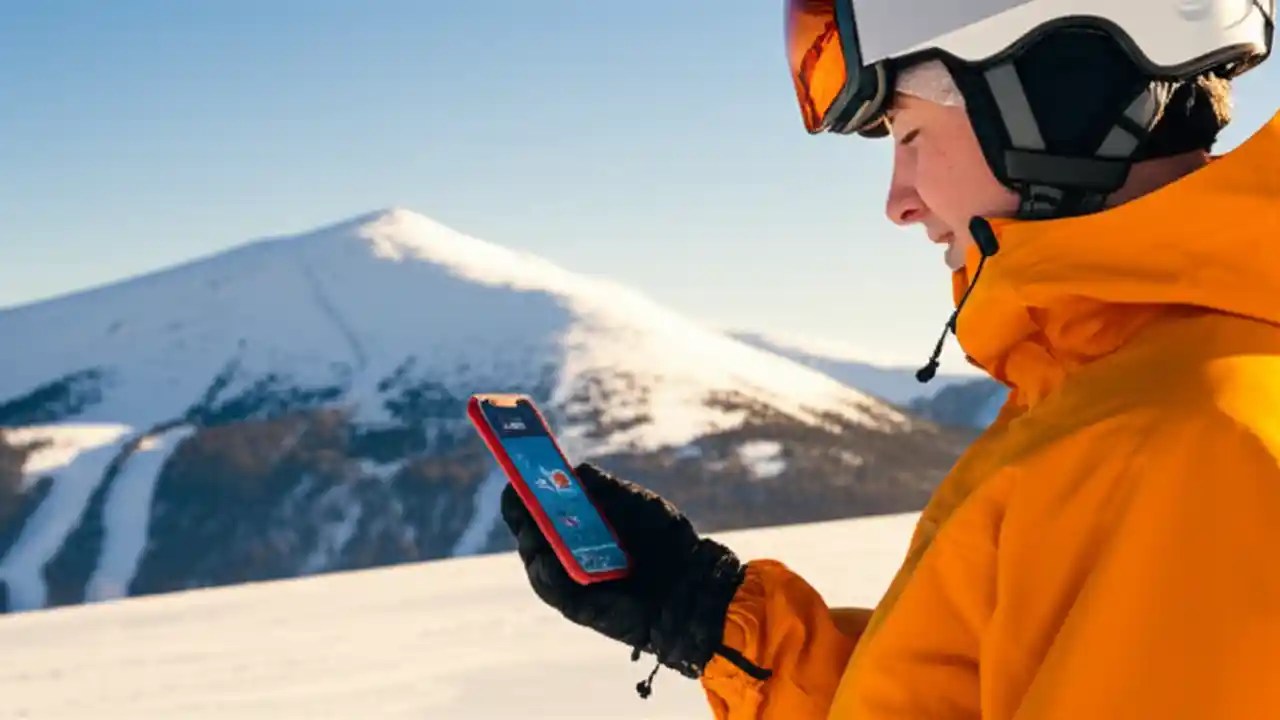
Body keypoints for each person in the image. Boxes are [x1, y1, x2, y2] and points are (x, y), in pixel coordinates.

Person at [501, 0, 1280, 717]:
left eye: (909, 134)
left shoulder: (1186, 446)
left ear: (1058, 98)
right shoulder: (1113, 391)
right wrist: (708, 617)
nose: (898, 200)